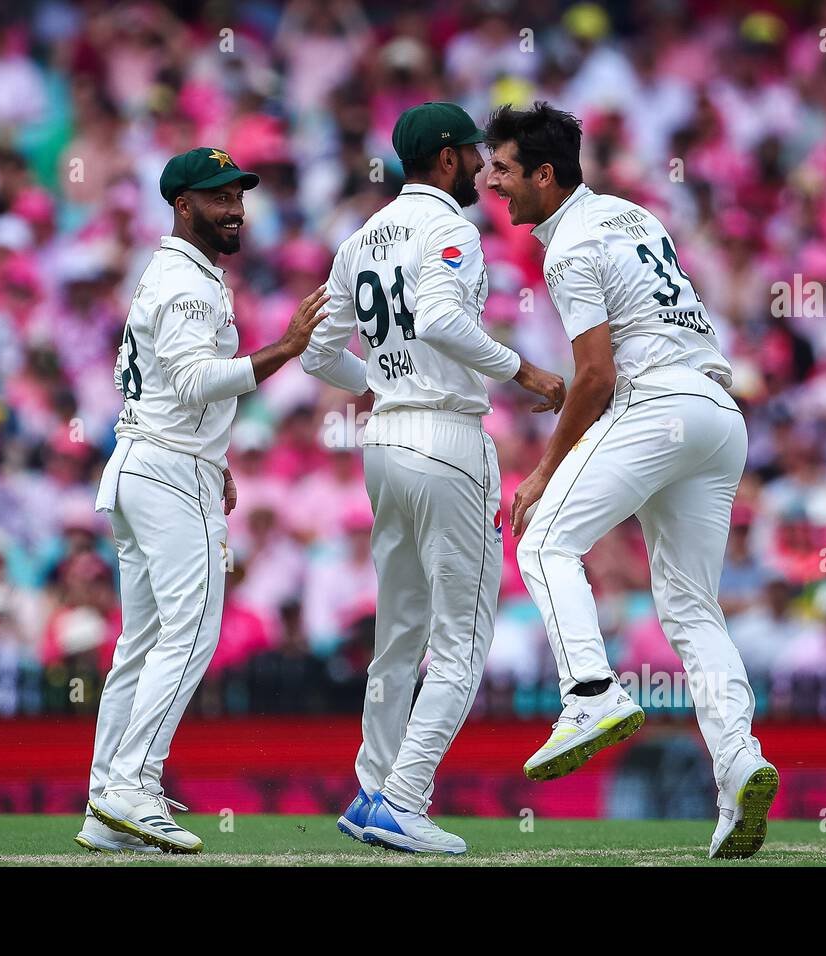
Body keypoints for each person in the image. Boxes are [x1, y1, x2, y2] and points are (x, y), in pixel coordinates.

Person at [483, 102, 777, 860]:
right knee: (691, 608)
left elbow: (594, 375)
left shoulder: (568, 246)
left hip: (660, 405)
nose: (493, 182)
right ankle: (739, 762)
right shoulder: (632, 215)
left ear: (545, 176)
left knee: (543, 537)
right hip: (719, 413)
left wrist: (544, 470)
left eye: (506, 170)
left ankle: (590, 694)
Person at [302, 102, 565, 854]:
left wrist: (387, 384)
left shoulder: (357, 238)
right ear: (445, 160)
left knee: (399, 635)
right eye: (474, 155)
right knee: (462, 639)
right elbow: (445, 323)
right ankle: (405, 798)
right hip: (446, 436)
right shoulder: (452, 228)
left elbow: (320, 356)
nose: (485, 169)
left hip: (384, 440)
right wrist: (529, 372)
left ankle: (372, 787)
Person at [81, 147, 330, 854]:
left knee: (142, 641)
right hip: (166, 472)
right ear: (183, 205)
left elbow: (168, 388)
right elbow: (193, 382)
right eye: (219, 197)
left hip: (148, 462)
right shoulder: (188, 284)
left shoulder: (174, 273)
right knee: (190, 633)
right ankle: (134, 783)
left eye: (239, 195)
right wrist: (285, 349)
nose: (235, 208)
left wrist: (211, 456)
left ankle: (106, 801)